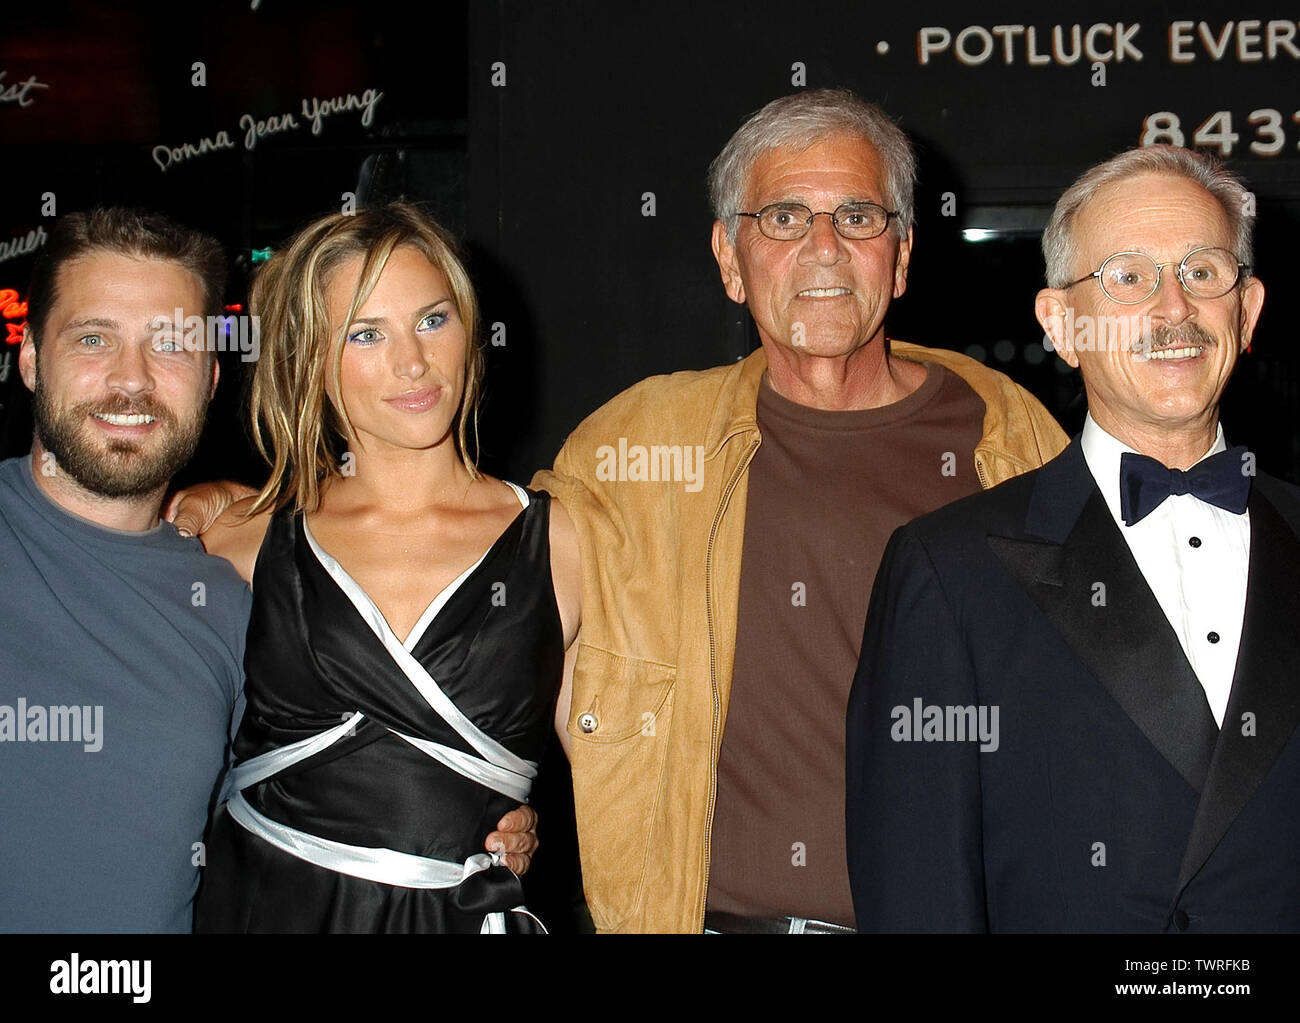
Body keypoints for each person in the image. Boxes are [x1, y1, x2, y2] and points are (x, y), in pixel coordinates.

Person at [530, 89, 1068, 932]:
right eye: (783, 217)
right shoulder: (631, 447)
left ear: (900, 256)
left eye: (858, 216)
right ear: (729, 257)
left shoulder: (1012, 437)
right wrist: (470, 807)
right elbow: (495, 642)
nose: (824, 247)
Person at [845, 145, 1297, 932]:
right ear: (1061, 323)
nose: (1173, 311)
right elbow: (920, 895)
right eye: (1128, 277)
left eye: (1202, 272)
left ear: (1248, 310)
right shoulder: (947, 574)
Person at [191, 203, 581, 933]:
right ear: (311, 360)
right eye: (366, 334)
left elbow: (629, 783)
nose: (413, 362)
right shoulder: (239, 541)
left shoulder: (566, 545)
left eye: (433, 320)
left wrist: (531, 828)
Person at [0, 207, 250, 932]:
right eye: (92, 338)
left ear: (208, 377)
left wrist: (477, 828)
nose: (131, 380)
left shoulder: (231, 609)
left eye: (168, 346)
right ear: (30, 358)